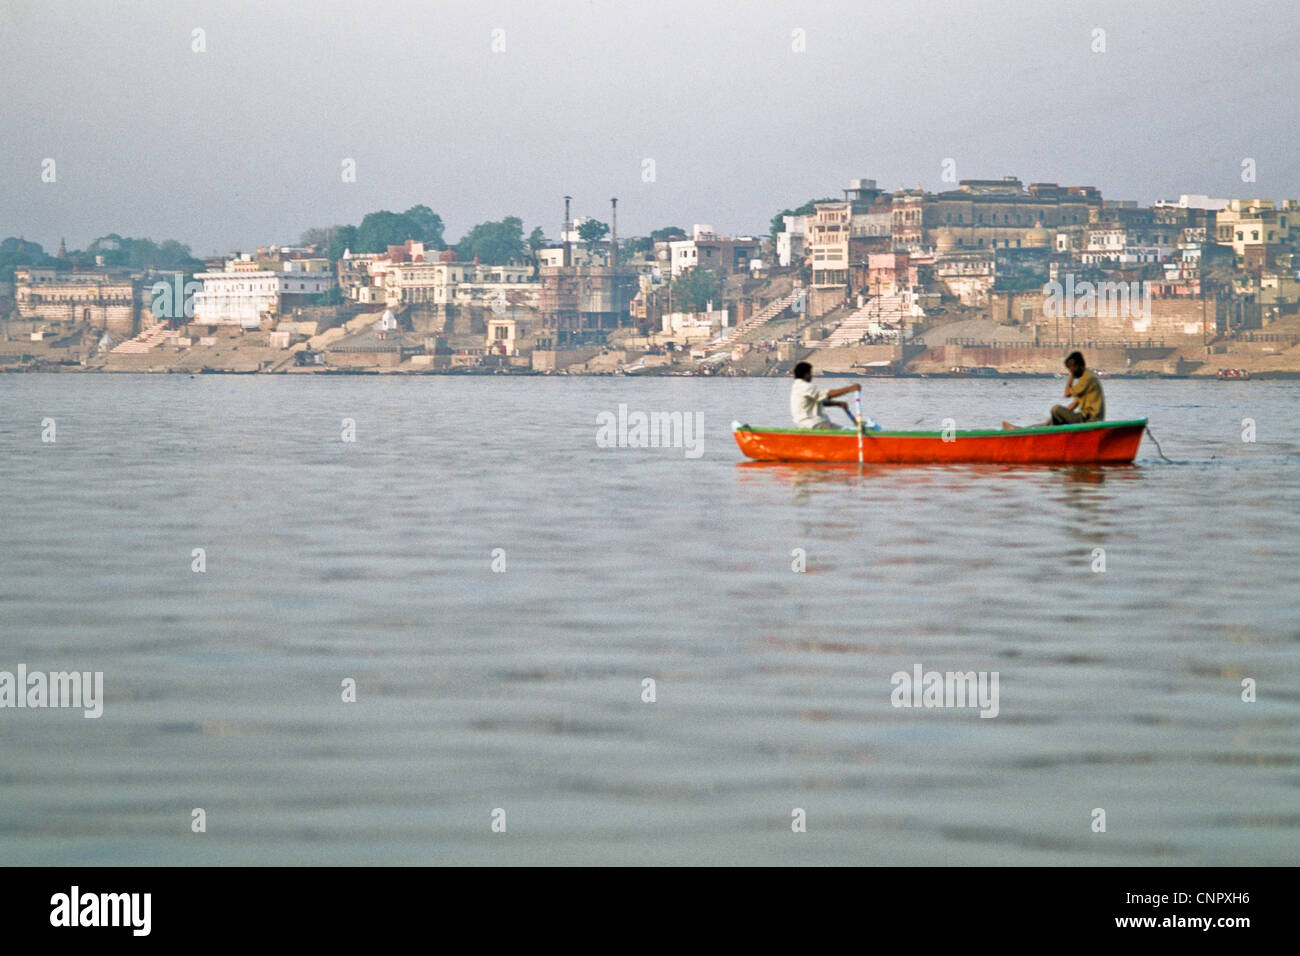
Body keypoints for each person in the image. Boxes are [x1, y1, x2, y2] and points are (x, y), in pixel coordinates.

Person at [790, 361, 860, 429]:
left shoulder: (796, 387)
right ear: (806, 374)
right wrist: (850, 388)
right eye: (810, 373)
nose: (811, 376)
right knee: (845, 431)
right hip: (814, 423)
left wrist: (837, 403)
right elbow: (827, 394)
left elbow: (818, 401)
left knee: (843, 429)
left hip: (803, 424)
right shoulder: (806, 386)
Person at [1045, 351, 1105, 425]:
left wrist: (1071, 376)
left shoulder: (1087, 378)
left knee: (1056, 409)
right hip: (1086, 417)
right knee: (1054, 418)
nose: (1071, 371)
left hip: (1090, 419)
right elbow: (1074, 404)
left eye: (1072, 368)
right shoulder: (1085, 379)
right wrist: (1054, 419)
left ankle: (1054, 432)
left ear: (1079, 365)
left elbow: (1067, 394)